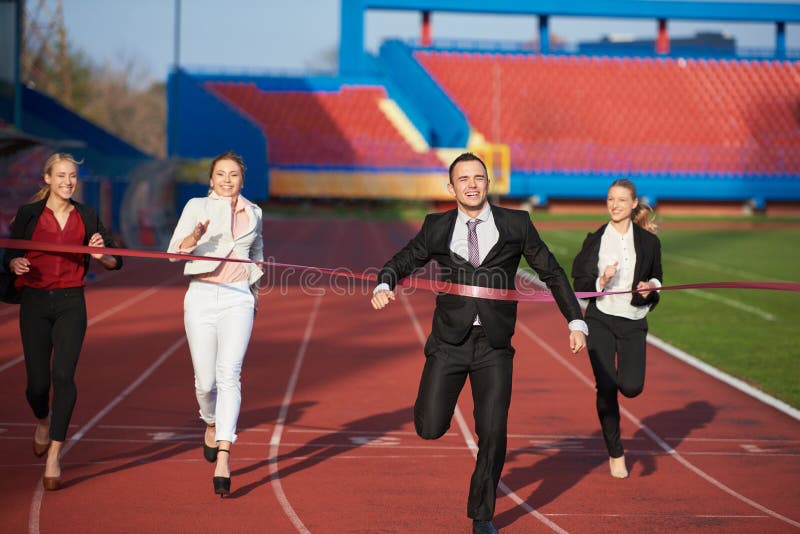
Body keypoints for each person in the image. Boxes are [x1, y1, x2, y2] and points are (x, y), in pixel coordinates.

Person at [370, 152, 587, 534]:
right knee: (430, 427)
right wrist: (386, 281)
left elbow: (551, 271)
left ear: (488, 183)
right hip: (449, 342)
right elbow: (405, 260)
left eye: (479, 178)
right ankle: (429, 400)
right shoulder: (436, 226)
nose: (472, 184)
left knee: (493, 430)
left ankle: (481, 514)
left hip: (494, 345)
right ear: (451, 188)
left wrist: (575, 320)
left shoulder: (515, 224)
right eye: (464, 179)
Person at [3, 153, 123, 491]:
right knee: (37, 385)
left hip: (72, 302)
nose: (68, 182)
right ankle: (43, 420)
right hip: (35, 303)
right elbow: (10, 255)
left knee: (63, 375)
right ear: (47, 179)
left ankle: (56, 453)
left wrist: (103, 256)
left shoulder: (87, 215)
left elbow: (115, 261)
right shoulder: (28, 215)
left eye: (72, 176)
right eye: (61, 176)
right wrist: (15, 266)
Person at [167, 151, 263, 497]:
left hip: (238, 297)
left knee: (230, 374)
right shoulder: (197, 206)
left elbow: (257, 248)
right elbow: (175, 252)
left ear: (242, 179)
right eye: (220, 174)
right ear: (211, 179)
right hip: (202, 296)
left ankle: (224, 455)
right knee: (205, 383)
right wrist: (191, 240)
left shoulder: (254, 211)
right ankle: (210, 420)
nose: (226, 179)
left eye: (233, 174)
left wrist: (255, 283)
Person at [571, 178, 662, 479]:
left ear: (634, 204)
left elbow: (657, 278)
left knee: (632, 387)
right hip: (601, 319)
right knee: (606, 386)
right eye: (611, 199)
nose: (615, 205)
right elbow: (580, 286)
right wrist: (601, 282)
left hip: (634, 321)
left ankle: (617, 440)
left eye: (622, 200)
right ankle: (616, 452)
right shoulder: (595, 240)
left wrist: (650, 288)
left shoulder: (649, 242)